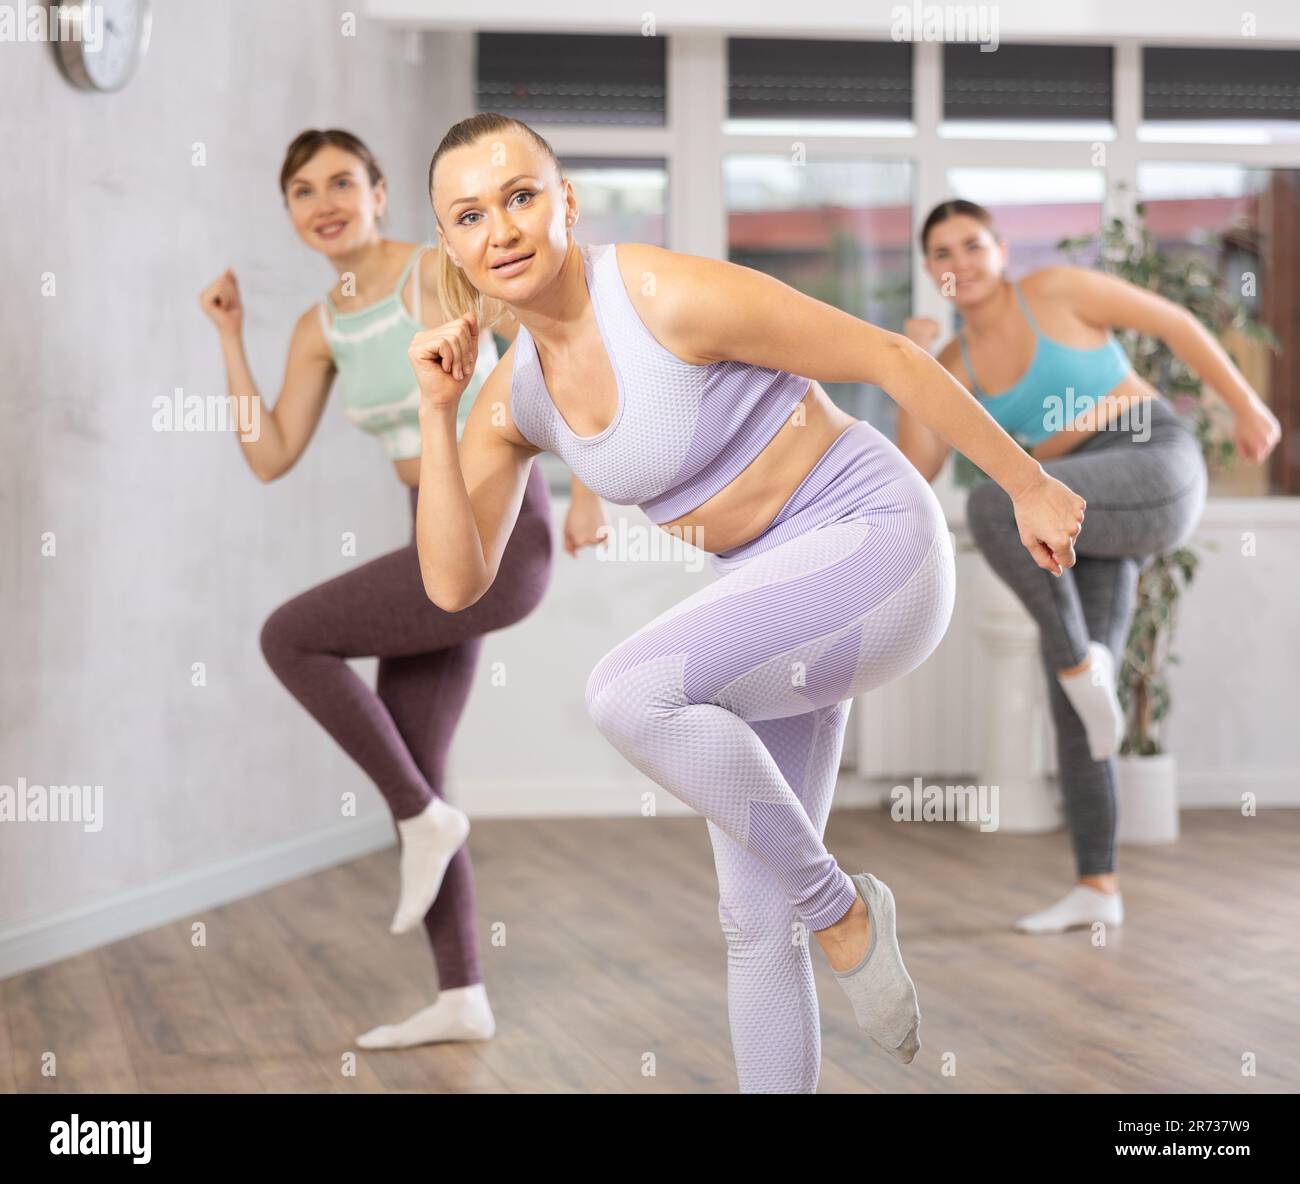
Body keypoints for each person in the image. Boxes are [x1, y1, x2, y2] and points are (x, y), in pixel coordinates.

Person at [407, 112, 1086, 1094]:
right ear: (450, 242)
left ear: (565, 200)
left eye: (519, 197)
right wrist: (435, 410)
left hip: (872, 542)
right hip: (780, 595)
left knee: (626, 694)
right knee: (750, 920)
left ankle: (843, 910)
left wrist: (1025, 482)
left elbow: (887, 358)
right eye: (469, 215)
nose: (500, 231)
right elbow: (452, 582)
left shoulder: (659, 294)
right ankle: (820, 920)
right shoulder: (516, 395)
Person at [198, 128, 607, 1050]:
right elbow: (268, 455)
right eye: (303, 190)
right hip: (435, 544)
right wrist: (230, 339)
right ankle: (462, 994)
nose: (324, 200)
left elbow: (553, 348)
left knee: (287, 635)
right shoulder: (320, 327)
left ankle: (425, 820)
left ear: (381, 193)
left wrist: (587, 491)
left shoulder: (436, 272)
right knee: (419, 767)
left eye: (343, 180)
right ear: (293, 214)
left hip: (504, 536)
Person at [900, 198, 1281, 935]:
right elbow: (916, 469)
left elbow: (1175, 323)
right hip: (1074, 517)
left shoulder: (1056, 293)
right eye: (942, 254)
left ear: (1001, 250)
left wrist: (1245, 405)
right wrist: (913, 367)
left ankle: (1083, 662)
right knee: (1080, 701)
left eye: (972, 245)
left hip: (1150, 464)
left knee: (990, 504)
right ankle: (1097, 884)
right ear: (929, 272)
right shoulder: (953, 364)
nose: (960, 264)